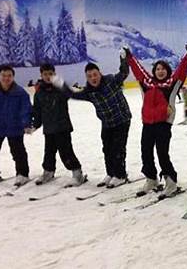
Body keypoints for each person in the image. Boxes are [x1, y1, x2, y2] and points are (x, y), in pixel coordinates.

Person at [52, 49, 132, 188]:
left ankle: (120, 175)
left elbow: (124, 72)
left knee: (118, 148)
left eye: (95, 75)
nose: (93, 78)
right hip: (107, 123)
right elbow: (73, 94)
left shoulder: (111, 81)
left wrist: (124, 58)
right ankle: (111, 173)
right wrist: (61, 84)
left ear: (99, 73)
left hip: (122, 120)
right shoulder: (89, 92)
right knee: (107, 148)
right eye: (89, 76)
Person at [125, 43, 187, 197]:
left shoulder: (171, 83)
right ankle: (151, 179)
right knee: (145, 152)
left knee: (162, 153)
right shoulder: (147, 82)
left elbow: (181, 71)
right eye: (157, 69)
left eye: (163, 69)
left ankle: (171, 182)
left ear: (167, 71)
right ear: (154, 71)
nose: (160, 71)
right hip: (147, 124)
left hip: (163, 124)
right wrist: (129, 56)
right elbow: (138, 69)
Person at [32, 64, 87, 187]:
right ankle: (48, 171)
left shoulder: (60, 89)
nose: (48, 76)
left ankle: (77, 173)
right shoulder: (39, 92)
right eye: (45, 74)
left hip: (62, 127)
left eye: (50, 74)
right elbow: (37, 111)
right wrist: (34, 125)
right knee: (49, 152)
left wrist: (62, 85)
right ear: (41, 75)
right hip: (48, 129)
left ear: (54, 74)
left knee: (66, 152)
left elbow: (70, 94)